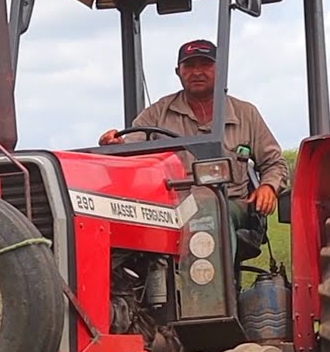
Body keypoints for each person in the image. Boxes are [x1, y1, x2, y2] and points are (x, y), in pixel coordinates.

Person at [98, 39, 288, 220]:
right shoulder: (158, 113)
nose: (197, 72)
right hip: (173, 206)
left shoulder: (245, 113)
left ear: (220, 70)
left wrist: (268, 187)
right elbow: (131, 142)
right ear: (178, 72)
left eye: (205, 65)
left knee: (207, 213)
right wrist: (116, 143)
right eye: (189, 66)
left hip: (229, 205)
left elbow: (274, 163)